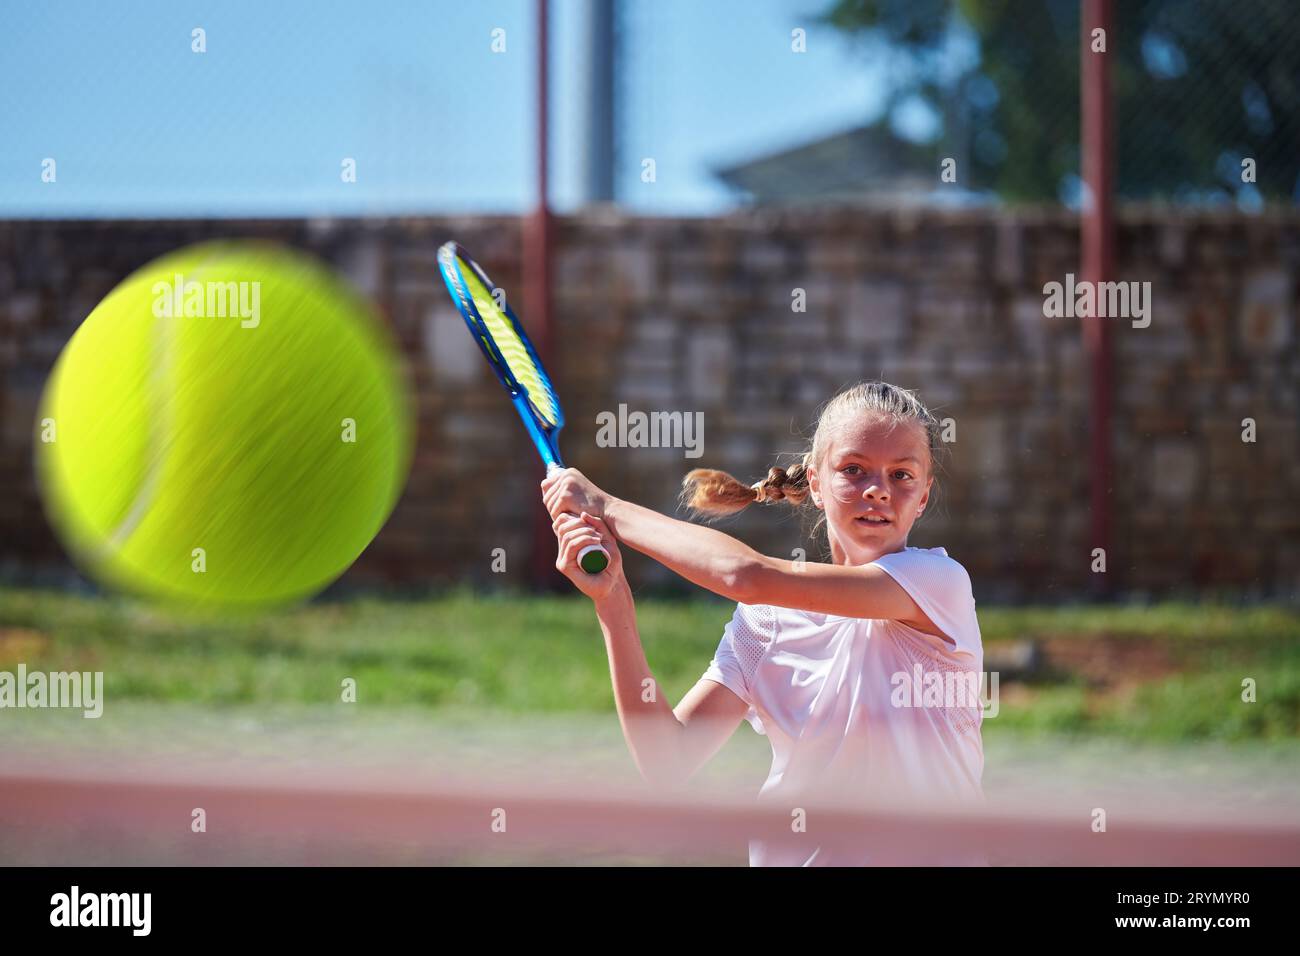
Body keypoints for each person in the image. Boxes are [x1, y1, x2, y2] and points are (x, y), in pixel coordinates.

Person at [542, 381, 985, 866]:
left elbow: (745, 576)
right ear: (815, 483)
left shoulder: (939, 584)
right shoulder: (766, 623)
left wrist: (607, 507)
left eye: (902, 474)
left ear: (924, 495)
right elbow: (666, 761)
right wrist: (613, 601)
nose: (877, 489)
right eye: (853, 470)